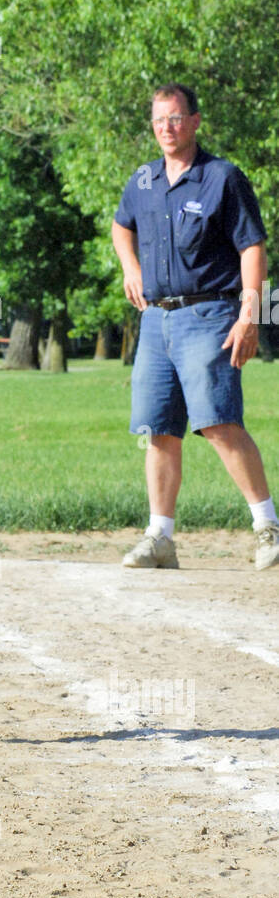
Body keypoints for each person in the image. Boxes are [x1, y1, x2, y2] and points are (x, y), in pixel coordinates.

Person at [112, 83, 279, 571]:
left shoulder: (223, 178)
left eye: (177, 118)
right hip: (156, 320)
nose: (168, 127)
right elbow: (122, 225)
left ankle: (267, 526)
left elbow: (253, 247)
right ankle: (160, 537)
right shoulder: (142, 181)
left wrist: (252, 314)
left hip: (210, 314)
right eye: (160, 119)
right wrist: (129, 267)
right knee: (158, 428)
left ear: (196, 121)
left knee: (218, 422)